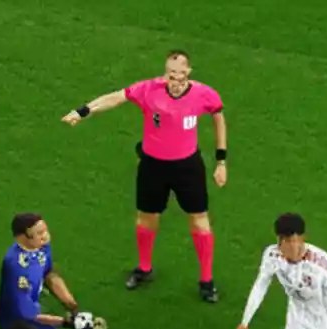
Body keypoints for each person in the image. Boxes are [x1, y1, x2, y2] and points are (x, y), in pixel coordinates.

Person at [61, 49, 227, 302]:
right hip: (153, 166)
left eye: (181, 73)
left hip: (188, 168)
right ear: (166, 72)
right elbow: (116, 98)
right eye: (172, 73)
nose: (176, 79)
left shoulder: (204, 94)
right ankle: (144, 269)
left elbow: (218, 117)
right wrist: (83, 111)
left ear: (189, 72)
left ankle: (206, 280)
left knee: (199, 219)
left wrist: (221, 160)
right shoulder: (149, 90)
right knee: (147, 217)